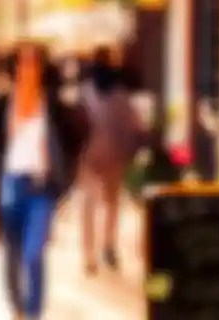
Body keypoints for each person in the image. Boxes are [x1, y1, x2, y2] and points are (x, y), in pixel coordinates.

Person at [0, 41, 91, 320]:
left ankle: (34, 312)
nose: (28, 68)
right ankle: (17, 308)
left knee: (33, 253)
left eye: (34, 62)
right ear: (13, 67)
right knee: (12, 254)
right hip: (9, 186)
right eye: (22, 62)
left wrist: (65, 177)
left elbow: (78, 138)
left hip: (41, 188)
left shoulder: (53, 106)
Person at [78, 45, 142, 274]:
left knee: (89, 204)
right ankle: (108, 245)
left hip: (89, 155)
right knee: (111, 202)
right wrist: (130, 151)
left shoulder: (84, 93)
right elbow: (133, 125)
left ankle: (89, 254)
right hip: (115, 154)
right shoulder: (120, 93)